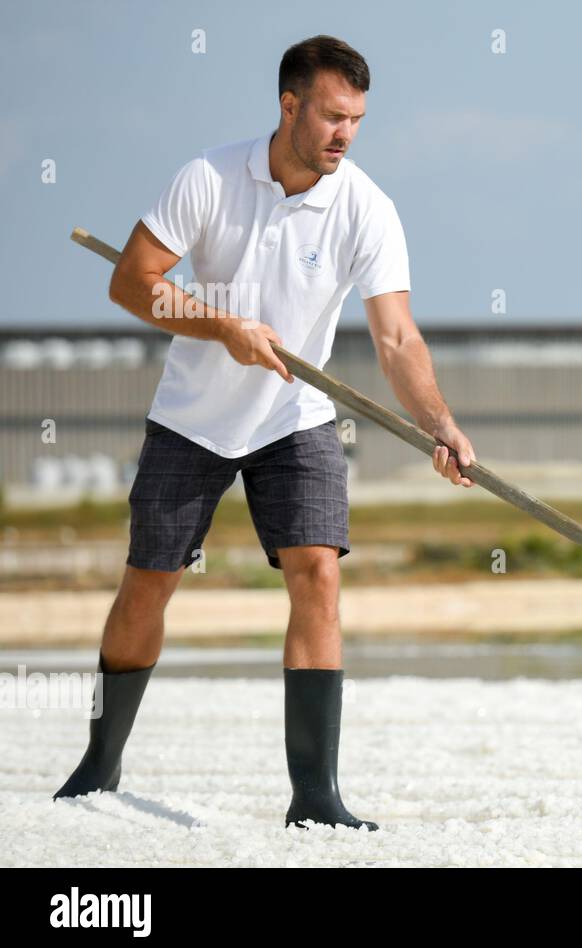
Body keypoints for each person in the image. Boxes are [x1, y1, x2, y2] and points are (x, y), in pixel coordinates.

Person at [52, 36, 476, 830]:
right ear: (289, 106)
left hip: (295, 417)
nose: (345, 133)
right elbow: (131, 282)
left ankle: (315, 795)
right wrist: (223, 327)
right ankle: (100, 757)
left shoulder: (367, 208)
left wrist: (440, 425)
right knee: (150, 580)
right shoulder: (208, 177)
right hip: (191, 418)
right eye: (331, 115)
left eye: (357, 119)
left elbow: (397, 341)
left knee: (318, 569)